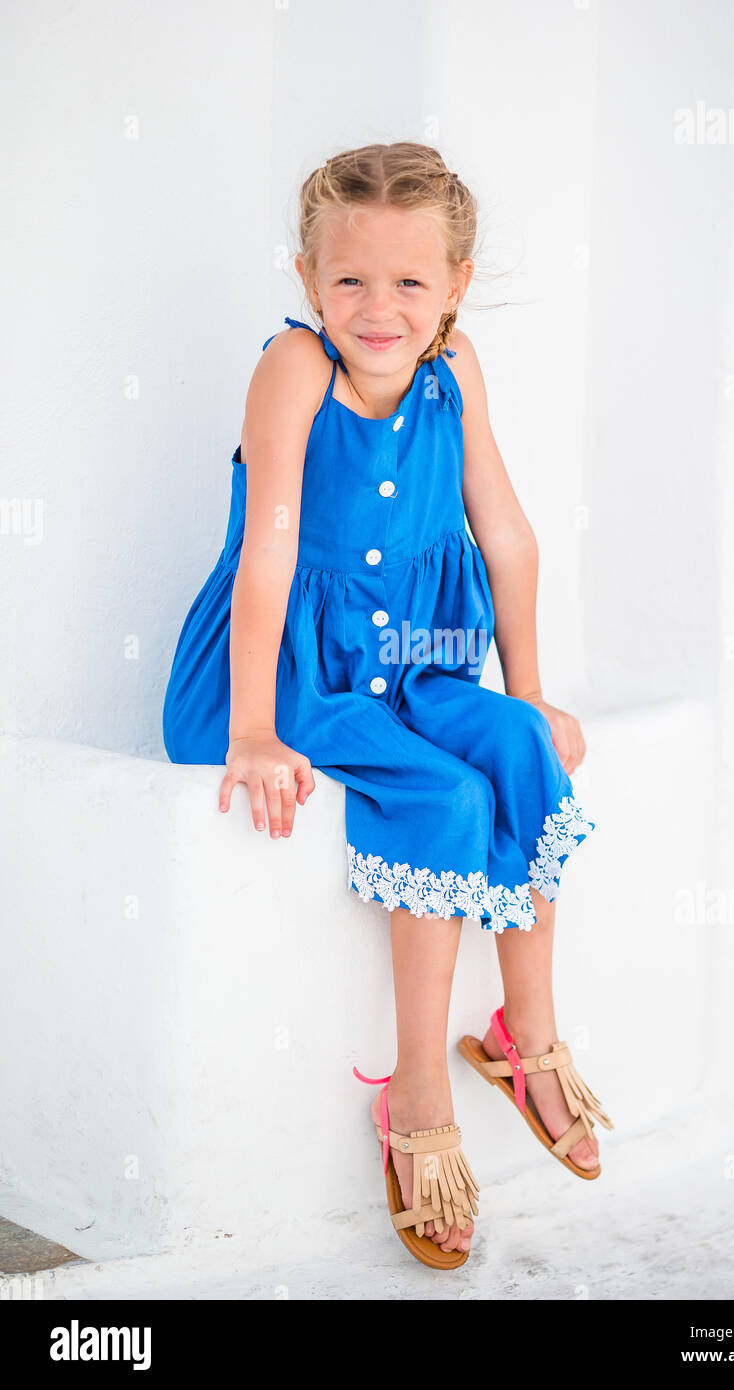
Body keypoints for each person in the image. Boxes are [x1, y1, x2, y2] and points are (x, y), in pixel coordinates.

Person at [162, 141, 613, 1271]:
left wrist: (532, 690)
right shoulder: (293, 370)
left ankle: (526, 1035)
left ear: (454, 286)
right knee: (444, 792)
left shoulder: (456, 370)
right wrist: (254, 727)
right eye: (350, 280)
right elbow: (267, 546)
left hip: (420, 657)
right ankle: (415, 1095)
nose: (378, 307)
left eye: (409, 282)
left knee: (514, 744)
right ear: (308, 280)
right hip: (291, 667)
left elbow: (504, 533)